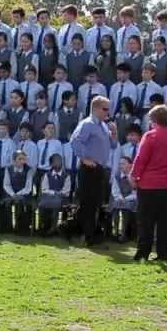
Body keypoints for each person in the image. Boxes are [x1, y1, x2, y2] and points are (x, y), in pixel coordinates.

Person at [130, 104, 167, 262]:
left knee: (146, 221)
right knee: (166, 222)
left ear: (153, 120)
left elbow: (141, 160)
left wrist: (134, 176)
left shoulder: (150, 136)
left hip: (149, 185)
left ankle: (143, 252)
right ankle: (165, 253)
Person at [70, 96, 120, 246]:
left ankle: (81, 231)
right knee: (88, 203)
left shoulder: (104, 125)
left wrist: (115, 132)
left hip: (100, 168)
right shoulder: (87, 124)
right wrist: (84, 158)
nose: (108, 112)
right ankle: (87, 235)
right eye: (105, 109)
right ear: (96, 108)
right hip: (89, 168)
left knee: (97, 202)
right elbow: (75, 141)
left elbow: (113, 145)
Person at [2, 150, 36, 235]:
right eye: (20, 159)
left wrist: (18, 194)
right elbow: (6, 184)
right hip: (11, 193)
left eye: (23, 159)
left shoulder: (29, 170)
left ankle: (20, 227)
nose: (22, 161)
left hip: (24, 194)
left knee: (19, 202)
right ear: (14, 160)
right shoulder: (8, 169)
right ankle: (7, 227)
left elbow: (28, 187)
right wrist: (13, 194)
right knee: (6, 203)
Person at [37, 152, 70, 237]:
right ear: (51, 164)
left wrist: (57, 194)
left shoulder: (66, 176)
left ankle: (53, 228)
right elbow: (44, 189)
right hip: (49, 197)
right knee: (43, 204)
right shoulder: (46, 175)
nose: (58, 163)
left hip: (62, 199)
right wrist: (54, 193)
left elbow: (66, 191)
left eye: (59, 161)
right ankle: (43, 227)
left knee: (55, 204)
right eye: (55, 161)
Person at [109, 155, 138, 243]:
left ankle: (123, 234)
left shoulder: (134, 176)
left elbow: (136, 192)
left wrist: (126, 198)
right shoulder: (117, 176)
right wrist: (120, 197)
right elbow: (115, 190)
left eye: (123, 164)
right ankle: (116, 232)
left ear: (130, 165)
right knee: (116, 207)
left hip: (132, 199)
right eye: (120, 164)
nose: (121, 166)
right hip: (120, 198)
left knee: (126, 208)